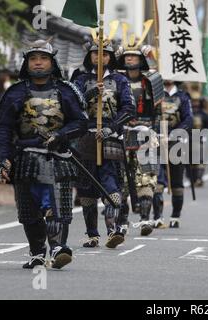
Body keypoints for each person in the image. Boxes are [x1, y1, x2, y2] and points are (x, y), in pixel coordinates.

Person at [0, 40, 88, 269]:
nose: (38, 62)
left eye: (43, 58)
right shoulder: (14, 93)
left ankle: (57, 248)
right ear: (26, 63)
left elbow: (80, 122)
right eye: (33, 58)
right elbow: (3, 128)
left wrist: (61, 135)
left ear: (52, 62)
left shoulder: (66, 91)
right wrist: (4, 158)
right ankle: (37, 252)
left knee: (58, 205)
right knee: (29, 210)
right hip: (25, 156)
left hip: (57, 156)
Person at [73, 36, 135, 248]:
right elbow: (70, 105)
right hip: (85, 137)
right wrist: (91, 93)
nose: (100, 57)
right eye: (96, 53)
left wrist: (111, 128)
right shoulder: (79, 79)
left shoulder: (120, 80)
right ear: (89, 56)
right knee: (86, 188)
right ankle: (92, 234)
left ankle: (112, 230)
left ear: (110, 57)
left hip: (110, 137)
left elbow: (129, 109)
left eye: (105, 54)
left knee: (111, 184)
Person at [115, 39, 165, 235]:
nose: (130, 58)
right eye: (127, 55)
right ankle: (123, 221)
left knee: (146, 178)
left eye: (134, 56)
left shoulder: (152, 80)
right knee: (122, 181)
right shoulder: (116, 81)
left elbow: (159, 111)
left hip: (146, 133)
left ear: (141, 59)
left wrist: (161, 133)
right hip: (121, 133)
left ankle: (145, 219)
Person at [154, 80, 193, 228]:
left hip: (176, 142)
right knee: (156, 180)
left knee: (176, 182)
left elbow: (188, 118)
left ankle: (176, 214)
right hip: (157, 141)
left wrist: (175, 133)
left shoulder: (183, 97)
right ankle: (157, 215)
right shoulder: (154, 93)